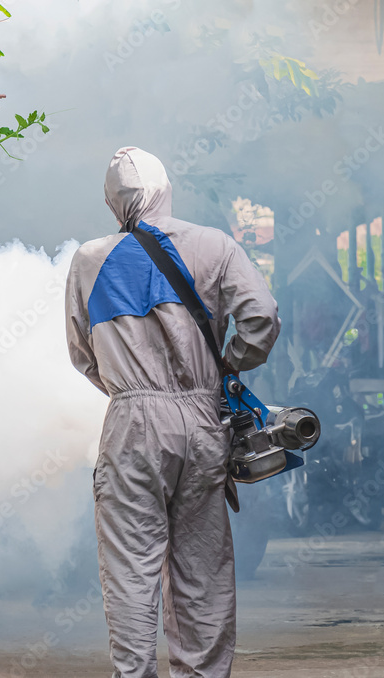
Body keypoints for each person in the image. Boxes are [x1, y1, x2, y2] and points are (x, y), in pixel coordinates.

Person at [64, 147, 280, 678]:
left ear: (112, 201)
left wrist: (131, 389)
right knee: (201, 570)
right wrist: (223, 371)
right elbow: (262, 318)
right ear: (165, 188)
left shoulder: (89, 258)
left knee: (132, 569)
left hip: (132, 421)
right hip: (205, 419)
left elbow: (81, 354)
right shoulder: (214, 244)